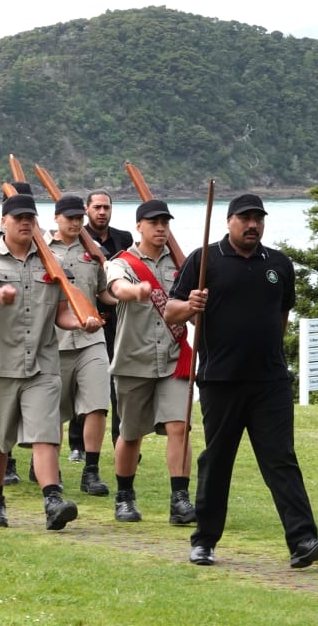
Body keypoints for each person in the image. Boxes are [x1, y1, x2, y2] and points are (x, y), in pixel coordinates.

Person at [165, 193, 318, 568]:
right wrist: (190, 305)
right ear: (229, 221)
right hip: (220, 380)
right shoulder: (204, 260)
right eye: (245, 218)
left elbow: (282, 314)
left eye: (258, 218)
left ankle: (302, 541)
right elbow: (170, 312)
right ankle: (204, 541)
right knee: (218, 461)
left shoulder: (279, 264)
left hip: (270, 382)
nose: (253, 224)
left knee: (281, 460)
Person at [0, 193, 102, 530]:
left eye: (30, 218)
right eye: (18, 217)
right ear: (4, 222)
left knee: (45, 434)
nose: (25, 222)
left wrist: (82, 322)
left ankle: (52, 499)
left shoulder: (51, 263)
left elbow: (61, 314)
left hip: (41, 364)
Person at [105, 200, 195, 524]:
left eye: (164, 223)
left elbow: (192, 308)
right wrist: (137, 291)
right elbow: (118, 288)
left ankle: (180, 500)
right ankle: (125, 497)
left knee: (179, 426)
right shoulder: (122, 262)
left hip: (174, 358)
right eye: (154, 223)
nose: (160, 228)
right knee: (130, 433)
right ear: (139, 226)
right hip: (134, 360)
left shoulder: (183, 264)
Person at [47, 194, 115, 497]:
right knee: (52, 411)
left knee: (97, 404)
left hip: (92, 339)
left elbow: (103, 292)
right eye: (70, 218)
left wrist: (126, 295)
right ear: (56, 218)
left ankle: (91, 471)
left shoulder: (93, 252)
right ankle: (49, 468)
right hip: (55, 342)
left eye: (79, 218)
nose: (76, 223)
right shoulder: (43, 251)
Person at [83, 189, 133, 451]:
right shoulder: (79, 236)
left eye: (106, 207)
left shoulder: (124, 238)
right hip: (88, 318)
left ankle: (120, 440)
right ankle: (78, 444)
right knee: (86, 382)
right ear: (87, 209)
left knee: (120, 381)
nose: (102, 212)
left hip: (120, 318)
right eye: (97, 207)